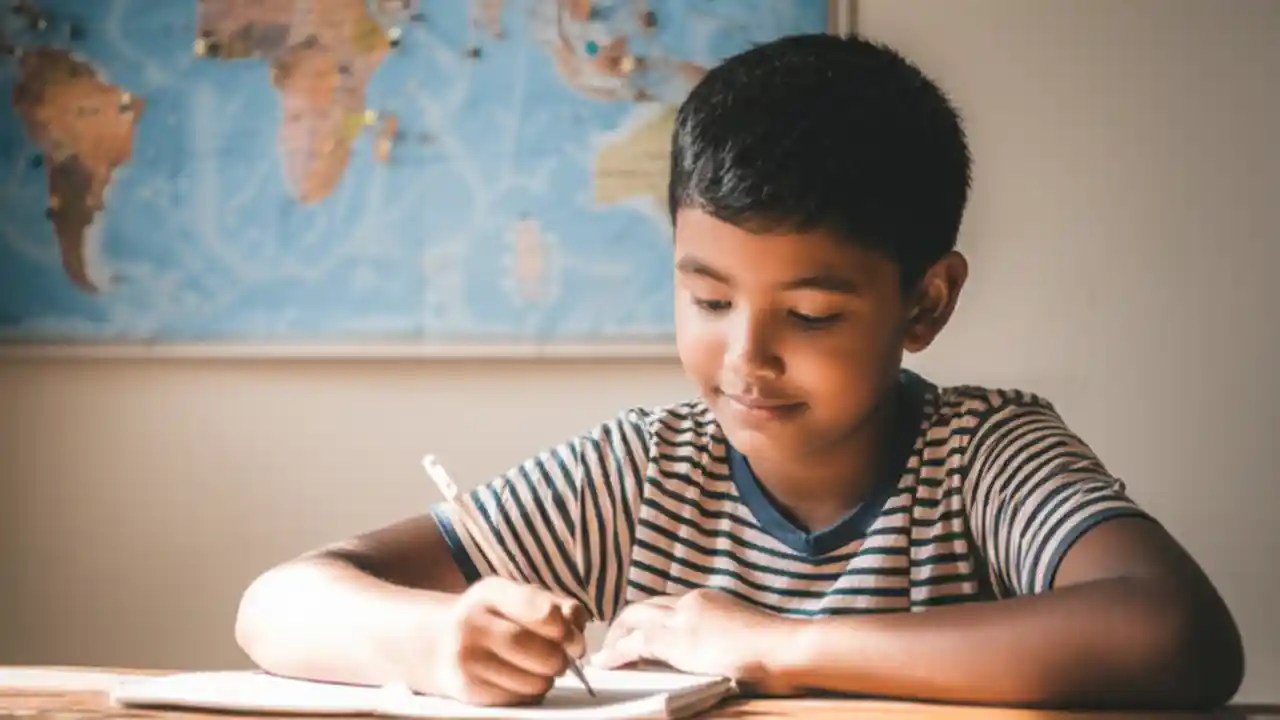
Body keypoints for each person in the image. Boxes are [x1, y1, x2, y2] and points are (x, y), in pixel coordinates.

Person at [234, 33, 1243, 709]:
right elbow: (277, 604)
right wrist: (437, 640)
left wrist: (770, 643)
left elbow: (1172, 636)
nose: (743, 357)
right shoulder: (640, 474)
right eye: (708, 300)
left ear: (924, 303)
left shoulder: (981, 458)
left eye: (807, 314)